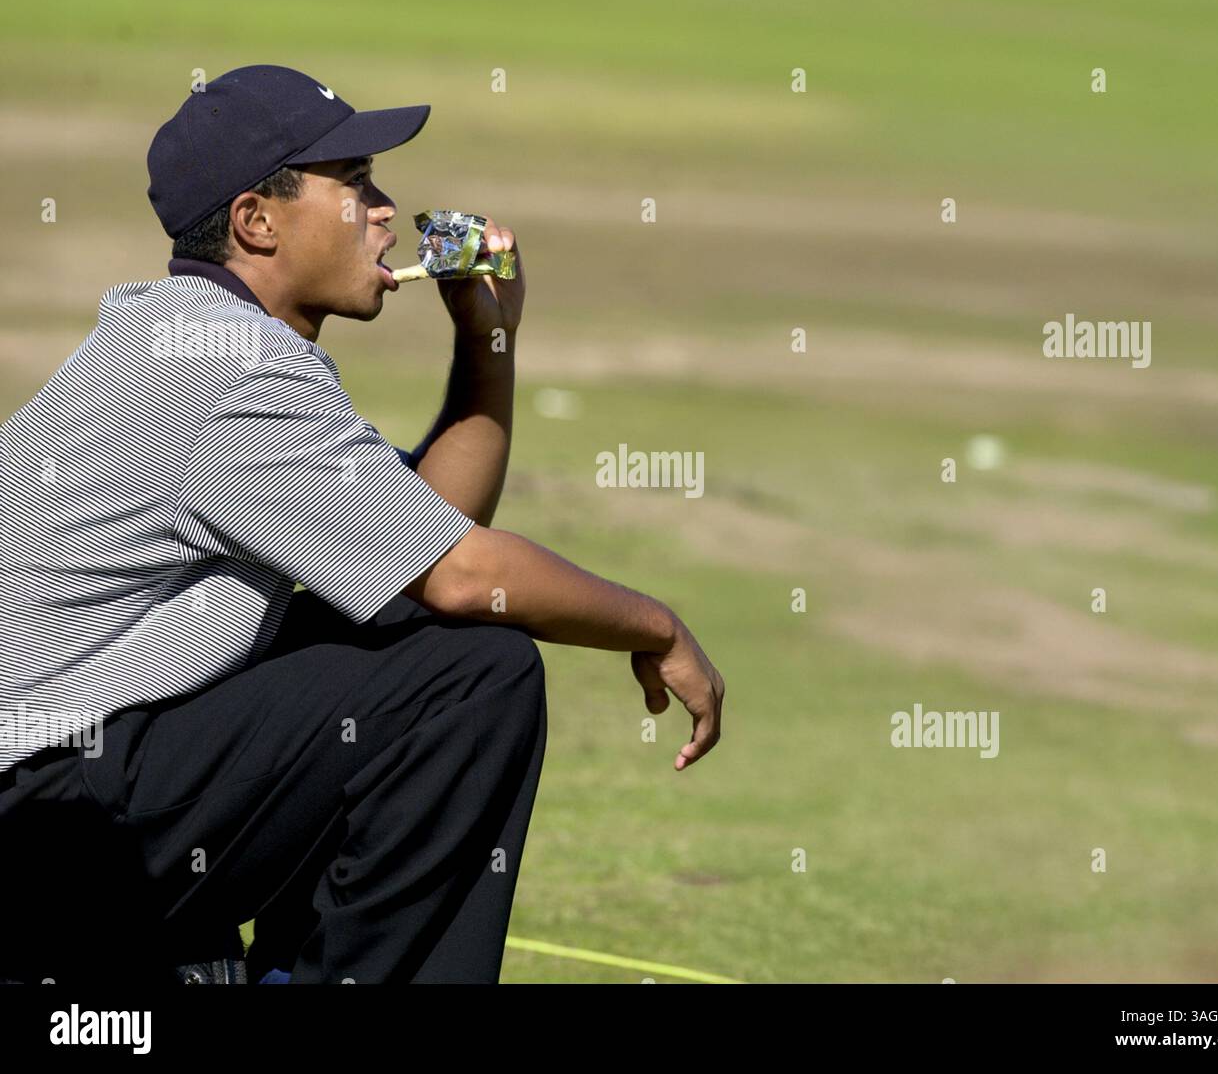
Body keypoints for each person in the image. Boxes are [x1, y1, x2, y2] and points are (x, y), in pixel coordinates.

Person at [0, 65, 725, 984]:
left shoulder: (190, 337)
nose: (385, 210)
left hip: (66, 803)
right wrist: (657, 624)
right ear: (258, 220)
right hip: (44, 827)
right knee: (471, 674)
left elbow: (429, 538)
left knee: (415, 633)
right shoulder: (230, 372)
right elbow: (465, 571)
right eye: (355, 183)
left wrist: (486, 340)